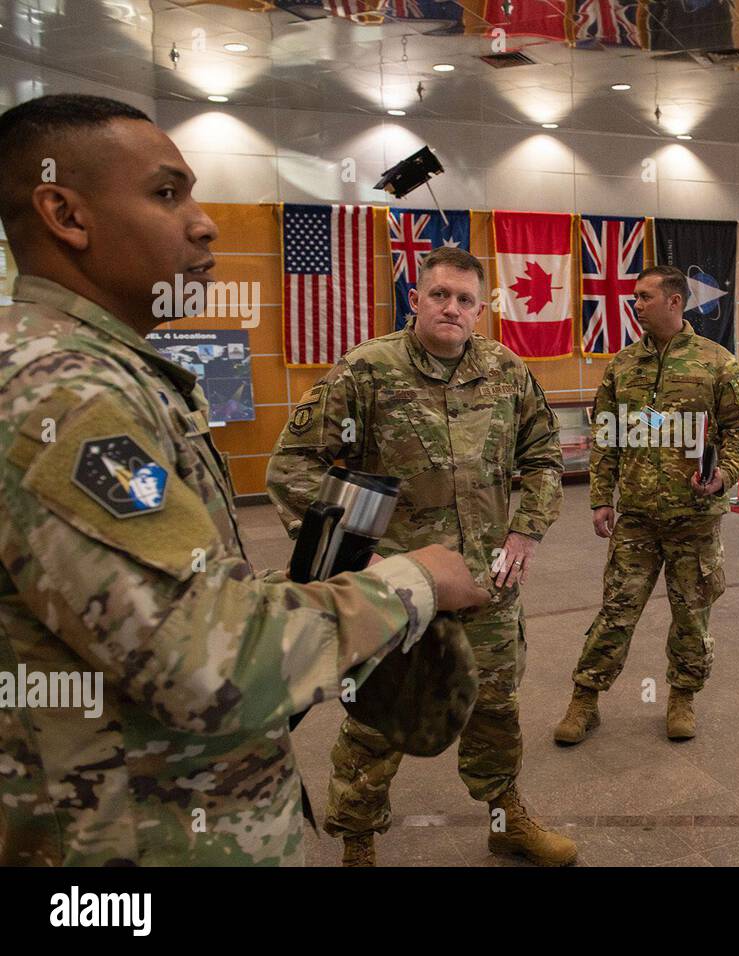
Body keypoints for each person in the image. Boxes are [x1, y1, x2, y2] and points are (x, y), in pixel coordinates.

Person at [0, 94, 486, 866]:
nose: (204, 222)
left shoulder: (105, 373)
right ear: (65, 212)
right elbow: (202, 660)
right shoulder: (67, 394)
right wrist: (414, 581)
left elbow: (164, 602)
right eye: (167, 193)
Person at [267, 245, 573, 866]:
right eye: (439, 295)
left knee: (494, 709)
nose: (451, 308)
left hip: (488, 581)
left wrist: (526, 532)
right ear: (416, 299)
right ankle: (357, 839)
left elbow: (543, 455)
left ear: (481, 310)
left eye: (465, 300)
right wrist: (360, 561)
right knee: (378, 718)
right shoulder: (368, 371)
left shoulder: (506, 371)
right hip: (399, 590)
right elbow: (292, 466)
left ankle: (503, 816)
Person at [552, 265, 739, 744]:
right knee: (616, 611)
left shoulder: (716, 362)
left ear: (674, 301)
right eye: (634, 297)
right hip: (638, 517)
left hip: (696, 519)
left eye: (644, 297)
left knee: (691, 614)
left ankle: (683, 696)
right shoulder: (623, 365)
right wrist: (602, 497)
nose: (635, 305)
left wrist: (723, 474)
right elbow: (605, 436)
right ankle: (585, 698)